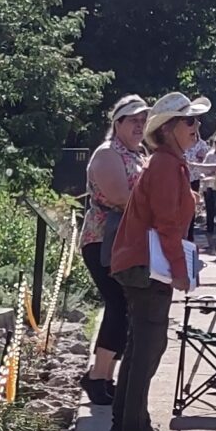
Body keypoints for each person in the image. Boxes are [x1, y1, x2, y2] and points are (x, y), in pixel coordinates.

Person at [107, 90, 207, 431]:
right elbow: (167, 224)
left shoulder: (167, 163)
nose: (196, 127)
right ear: (168, 128)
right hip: (146, 266)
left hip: (139, 263)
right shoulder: (167, 165)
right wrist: (180, 270)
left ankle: (125, 420)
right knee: (149, 344)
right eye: (189, 120)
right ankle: (135, 425)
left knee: (141, 344)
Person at [79, 95, 147, 406]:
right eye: (132, 119)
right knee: (119, 303)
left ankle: (104, 375)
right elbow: (121, 197)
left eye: (142, 120)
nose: (139, 125)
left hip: (125, 240)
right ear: (117, 123)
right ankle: (97, 378)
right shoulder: (107, 154)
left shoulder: (137, 154)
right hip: (103, 240)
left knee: (126, 307)